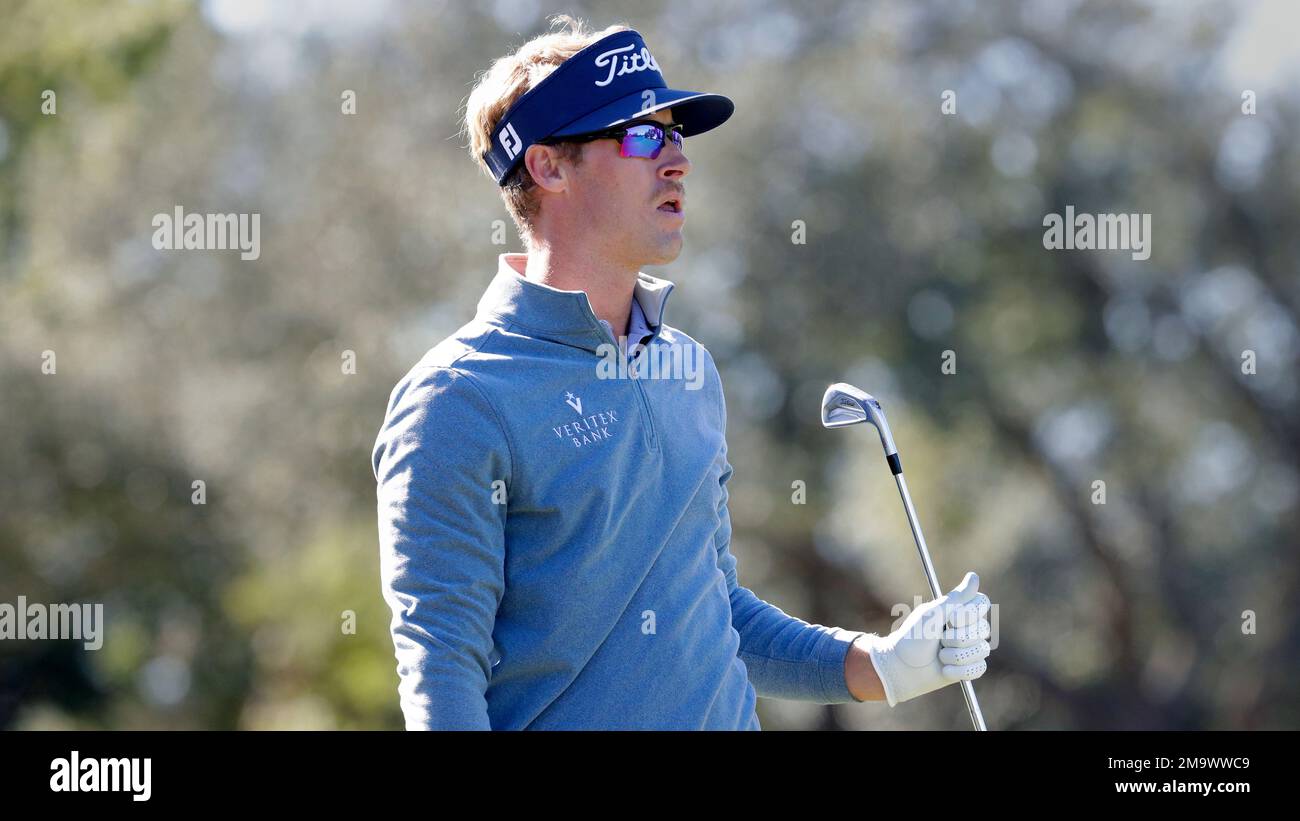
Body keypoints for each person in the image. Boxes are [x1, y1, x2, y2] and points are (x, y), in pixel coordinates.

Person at [371, 15, 994, 730]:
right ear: (547, 166)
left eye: (675, 136)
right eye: (641, 136)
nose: (677, 161)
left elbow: (715, 610)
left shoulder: (687, 368)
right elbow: (443, 669)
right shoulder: (458, 399)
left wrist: (882, 665)